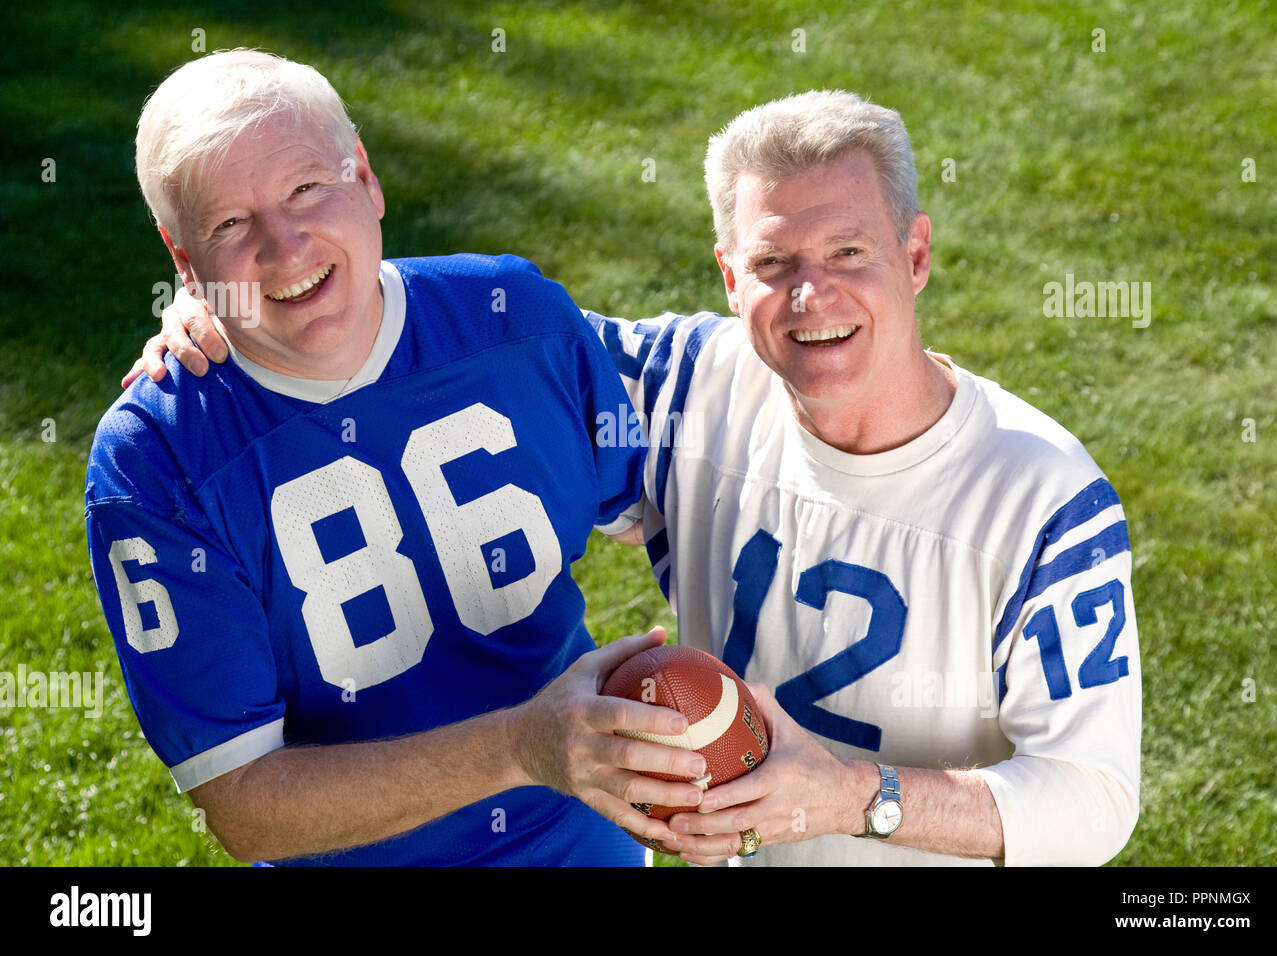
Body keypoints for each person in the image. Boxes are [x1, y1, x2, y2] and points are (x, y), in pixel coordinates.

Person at [131, 90, 1142, 867]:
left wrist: (850, 797)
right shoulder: (684, 392)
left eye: (849, 250)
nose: (812, 294)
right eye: (772, 260)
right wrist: (241, 306)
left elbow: (1092, 800)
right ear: (725, 274)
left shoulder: (1039, 491)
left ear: (915, 255)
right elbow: (426, 341)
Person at [88, 49, 714, 866]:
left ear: (368, 178)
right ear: (182, 257)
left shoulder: (513, 316)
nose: (284, 247)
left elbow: (661, 503)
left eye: (307, 188)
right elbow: (246, 807)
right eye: (230, 226)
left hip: (582, 846)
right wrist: (522, 747)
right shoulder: (156, 459)